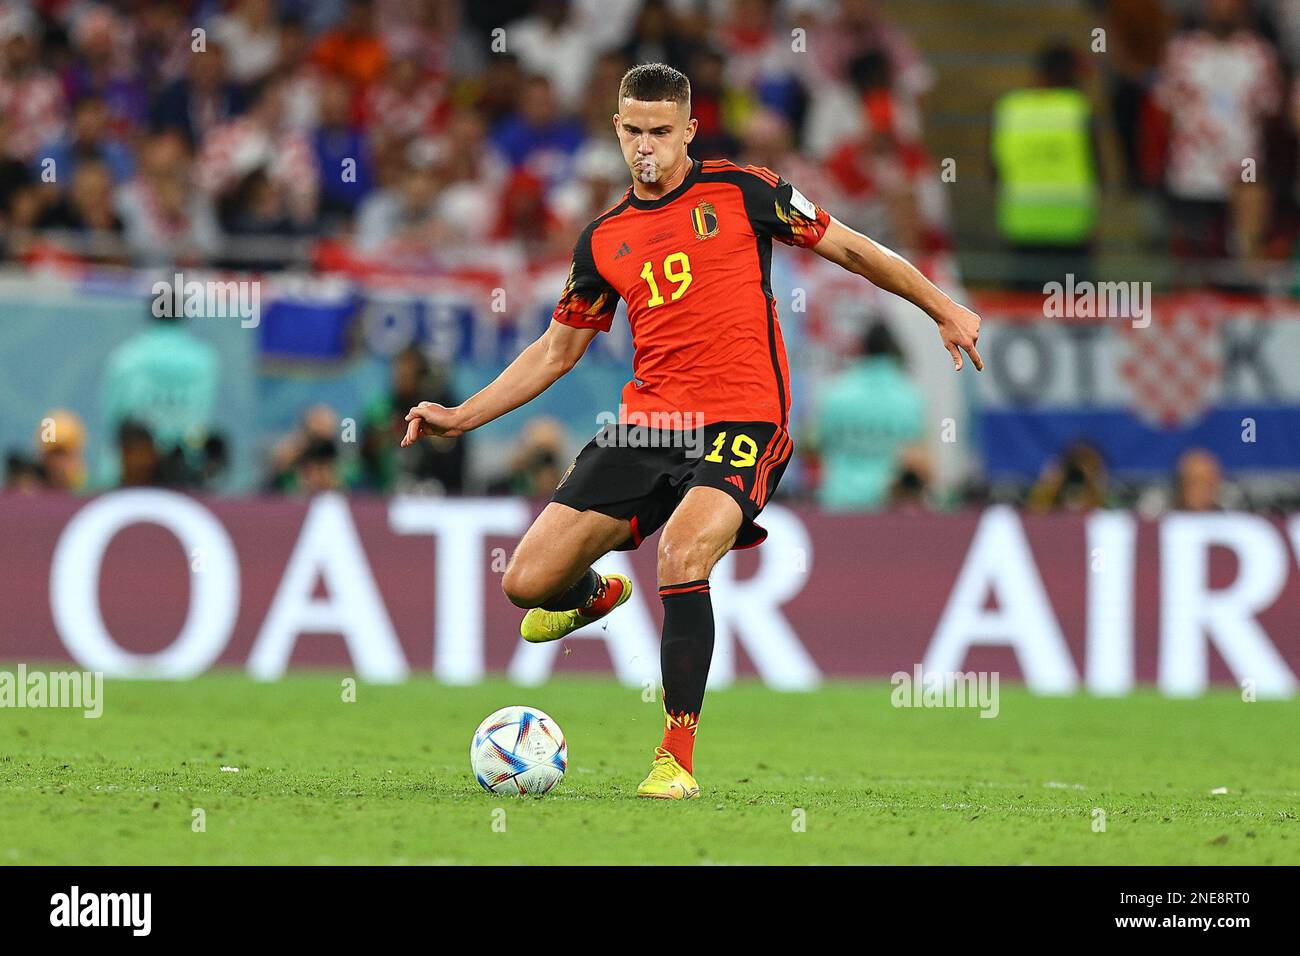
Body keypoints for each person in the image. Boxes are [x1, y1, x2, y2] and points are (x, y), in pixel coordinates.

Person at [401, 63, 982, 800]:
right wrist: (461, 415)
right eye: (634, 132)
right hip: (651, 425)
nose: (647, 148)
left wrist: (941, 307)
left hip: (744, 417)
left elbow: (853, 248)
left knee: (681, 549)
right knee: (526, 582)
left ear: (688, 131)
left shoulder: (745, 191)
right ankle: (593, 595)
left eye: (661, 133)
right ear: (617, 129)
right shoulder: (604, 239)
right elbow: (556, 351)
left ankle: (675, 755)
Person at [814, 321, 925, 512]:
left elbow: (817, 443)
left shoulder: (836, 391)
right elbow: (916, 457)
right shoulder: (909, 395)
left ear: (862, 349)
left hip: (838, 501)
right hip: (886, 504)